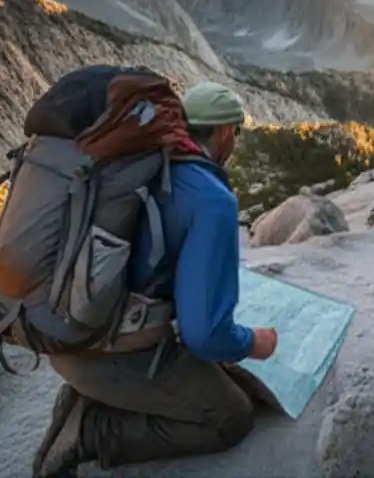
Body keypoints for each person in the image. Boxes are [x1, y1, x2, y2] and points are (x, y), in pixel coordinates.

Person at [34, 82, 278, 477]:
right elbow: (203, 335)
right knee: (231, 415)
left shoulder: (141, 166)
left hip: (63, 333)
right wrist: (256, 343)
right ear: (225, 132)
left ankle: (89, 400)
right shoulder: (212, 199)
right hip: (107, 352)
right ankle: (91, 430)